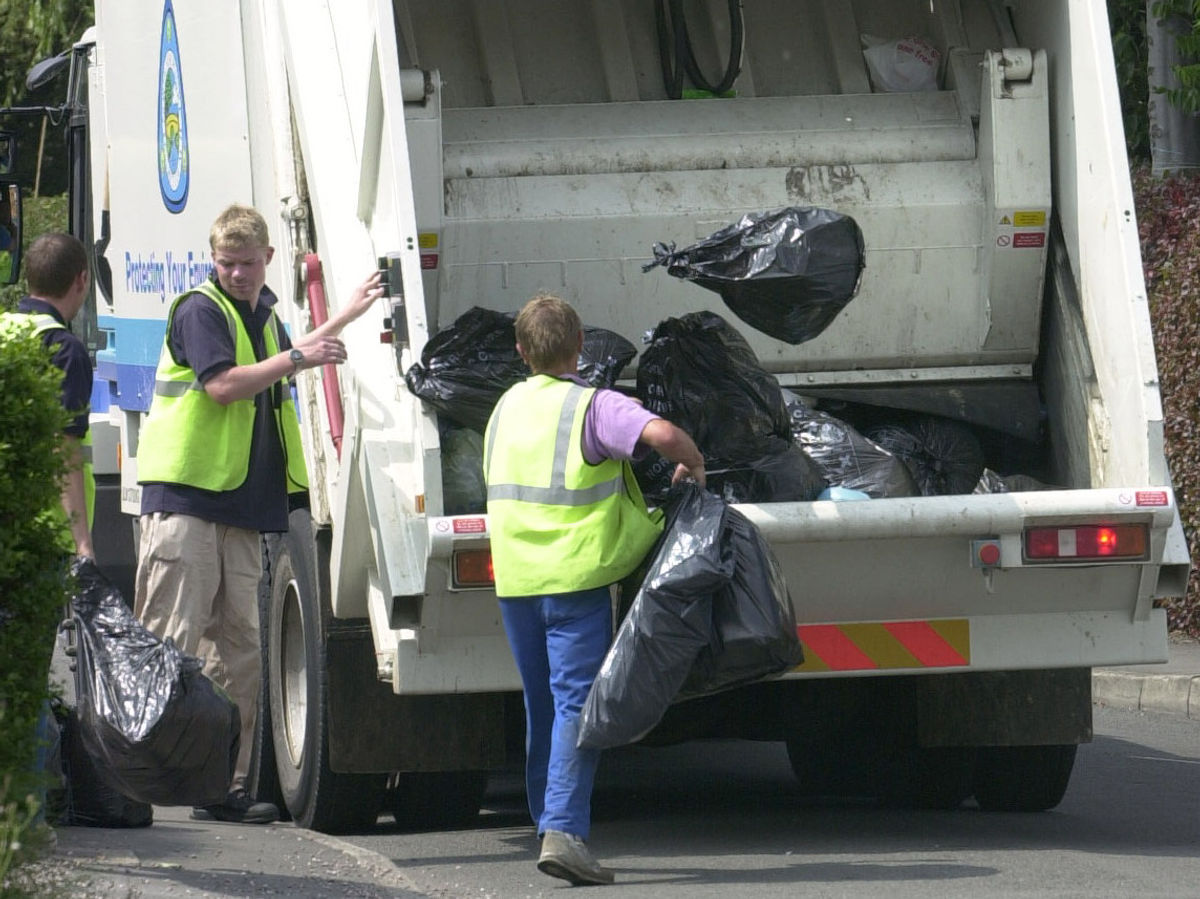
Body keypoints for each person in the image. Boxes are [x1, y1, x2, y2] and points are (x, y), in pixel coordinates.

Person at [133, 203, 383, 825]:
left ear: (268, 258)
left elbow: (288, 354)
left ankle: (222, 787)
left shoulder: (262, 315)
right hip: (187, 502)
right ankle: (130, 783)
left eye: (247, 263)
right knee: (170, 642)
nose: (238, 273)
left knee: (239, 655)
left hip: (242, 508)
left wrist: (345, 314)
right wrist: (303, 359)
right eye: (227, 263)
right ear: (212, 260)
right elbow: (224, 385)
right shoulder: (201, 309)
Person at [483, 293, 706, 886]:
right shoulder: (594, 406)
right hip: (575, 580)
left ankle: (546, 824)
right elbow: (663, 436)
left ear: (521, 351)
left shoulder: (505, 406)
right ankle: (564, 830)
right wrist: (694, 461)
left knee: (544, 707)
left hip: (516, 580)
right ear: (581, 346)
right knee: (577, 707)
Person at [7, 232, 96, 558]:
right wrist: (82, 541)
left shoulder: (5, 331)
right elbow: (65, 447)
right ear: (82, 279)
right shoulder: (64, 349)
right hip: (46, 531)